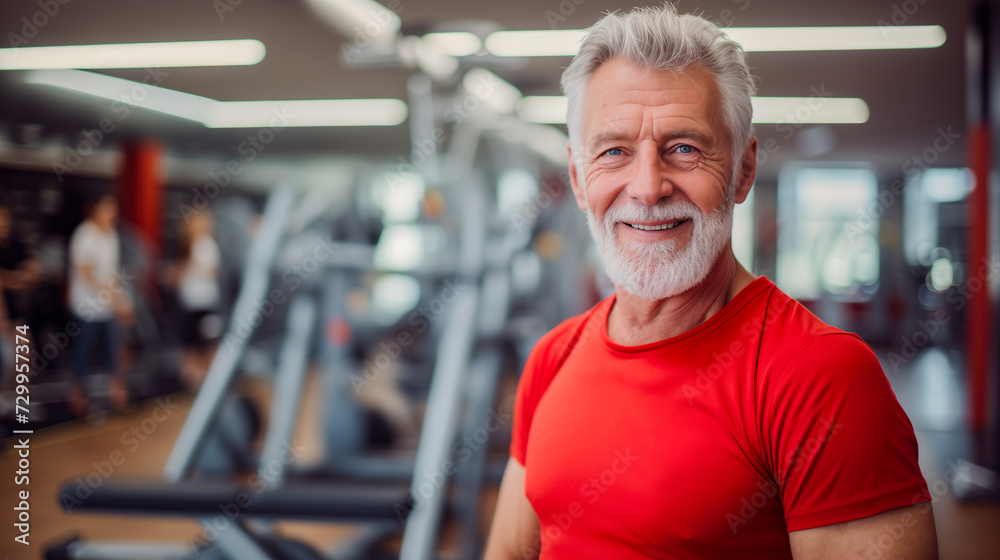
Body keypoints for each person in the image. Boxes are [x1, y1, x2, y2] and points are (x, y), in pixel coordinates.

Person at [484, 5, 937, 559]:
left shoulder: (822, 377)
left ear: (743, 170)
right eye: (614, 151)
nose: (647, 187)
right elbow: (508, 552)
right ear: (579, 179)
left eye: (684, 148)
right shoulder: (552, 358)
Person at [68, 194, 133, 415]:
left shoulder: (111, 235)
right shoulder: (84, 235)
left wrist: (120, 298)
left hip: (108, 307)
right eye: (106, 209)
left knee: (113, 349)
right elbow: (86, 273)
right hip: (86, 306)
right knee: (84, 351)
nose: (111, 214)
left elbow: (112, 273)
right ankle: (76, 393)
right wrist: (109, 294)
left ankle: (116, 391)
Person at [170, 210, 222, 387]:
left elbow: (210, 271)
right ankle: (191, 380)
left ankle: (210, 380)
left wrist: (186, 269)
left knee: (208, 343)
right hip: (188, 303)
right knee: (189, 344)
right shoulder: (187, 246)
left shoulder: (207, 244)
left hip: (205, 303)